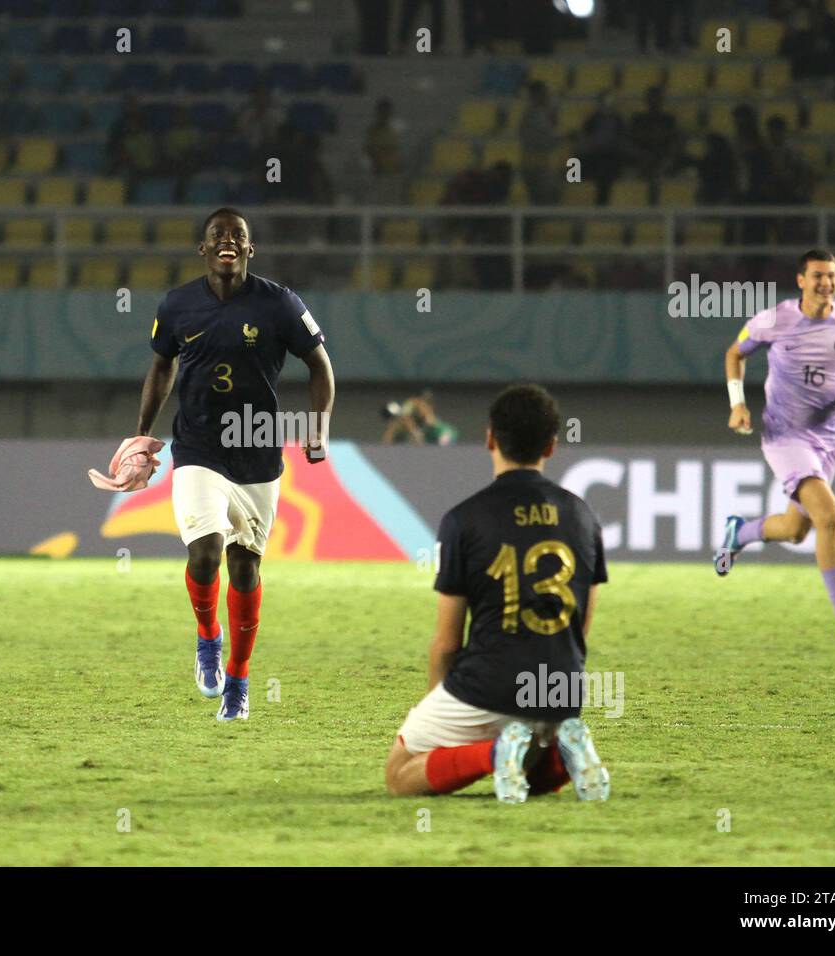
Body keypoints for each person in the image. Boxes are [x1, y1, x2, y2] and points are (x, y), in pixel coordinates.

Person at [124, 207, 335, 721]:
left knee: (245, 568)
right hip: (196, 448)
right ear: (203, 249)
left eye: (238, 236)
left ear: (249, 249)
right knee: (205, 552)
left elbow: (320, 365)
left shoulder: (280, 304)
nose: (228, 241)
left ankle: (238, 682)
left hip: (258, 452)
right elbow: (162, 364)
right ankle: (207, 638)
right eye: (218, 235)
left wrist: (319, 426)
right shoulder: (177, 306)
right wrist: (144, 434)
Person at [385, 384, 610, 802]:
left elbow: (446, 642)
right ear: (552, 446)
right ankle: (562, 747)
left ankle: (495, 751)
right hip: (560, 687)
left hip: (489, 685)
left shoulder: (463, 519)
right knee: (530, 769)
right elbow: (582, 628)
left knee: (400, 775)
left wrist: (438, 710)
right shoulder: (583, 515)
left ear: (490, 438)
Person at [717, 250, 835, 648]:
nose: (825, 283)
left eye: (831, 276)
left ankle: (740, 532)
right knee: (828, 515)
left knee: (797, 529)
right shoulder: (774, 319)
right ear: (800, 280)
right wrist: (737, 403)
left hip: (828, 436)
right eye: (817, 276)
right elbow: (734, 353)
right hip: (784, 435)